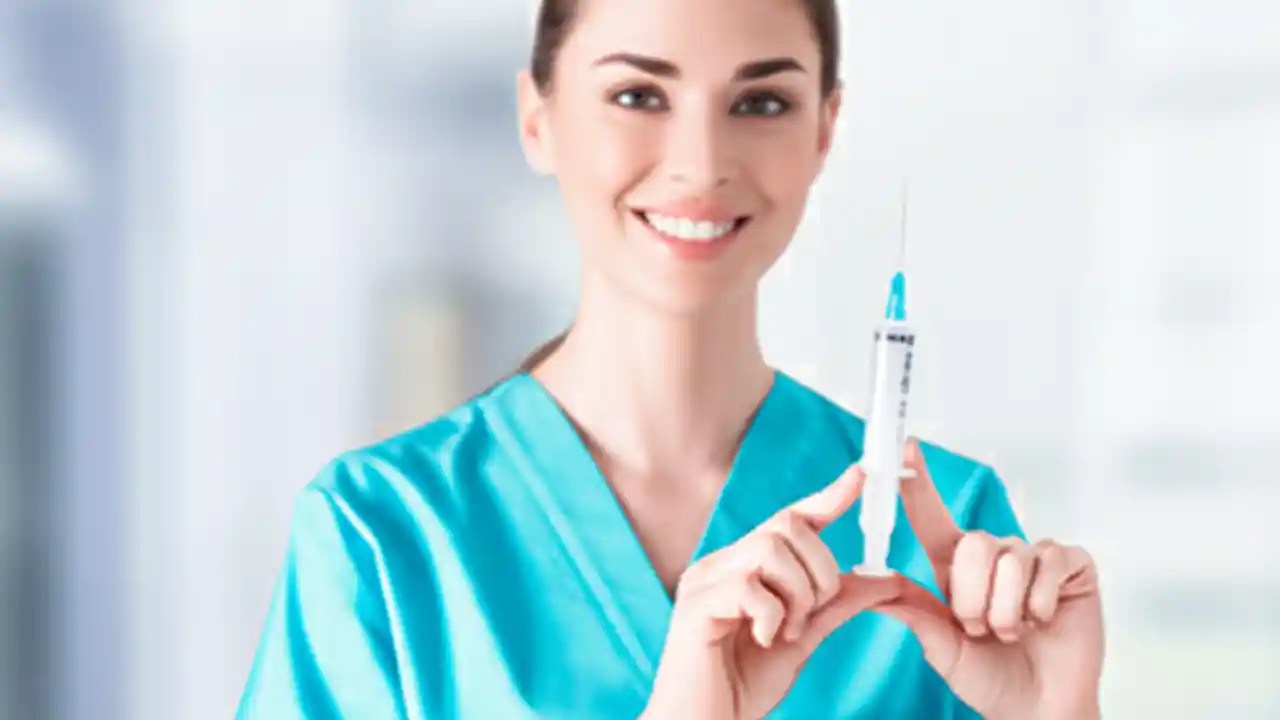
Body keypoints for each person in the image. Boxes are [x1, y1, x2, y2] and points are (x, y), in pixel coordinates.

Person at [236, 0, 1104, 717]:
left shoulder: (944, 537)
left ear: (824, 131)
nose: (700, 163)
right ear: (538, 119)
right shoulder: (383, 536)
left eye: (760, 103)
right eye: (638, 96)